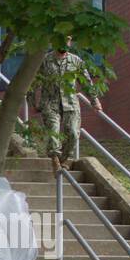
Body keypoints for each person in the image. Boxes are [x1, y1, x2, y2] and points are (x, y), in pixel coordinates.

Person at [35, 37, 103, 172]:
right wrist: (32, 103)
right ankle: (55, 159)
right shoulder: (44, 61)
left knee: (72, 133)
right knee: (54, 131)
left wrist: (94, 100)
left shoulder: (76, 61)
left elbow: (86, 82)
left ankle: (64, 159)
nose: (65, 44)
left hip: (70, 103)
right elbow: (33, 82)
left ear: (70, 43)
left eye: (67, 41)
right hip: (50, 103)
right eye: (62, 41)